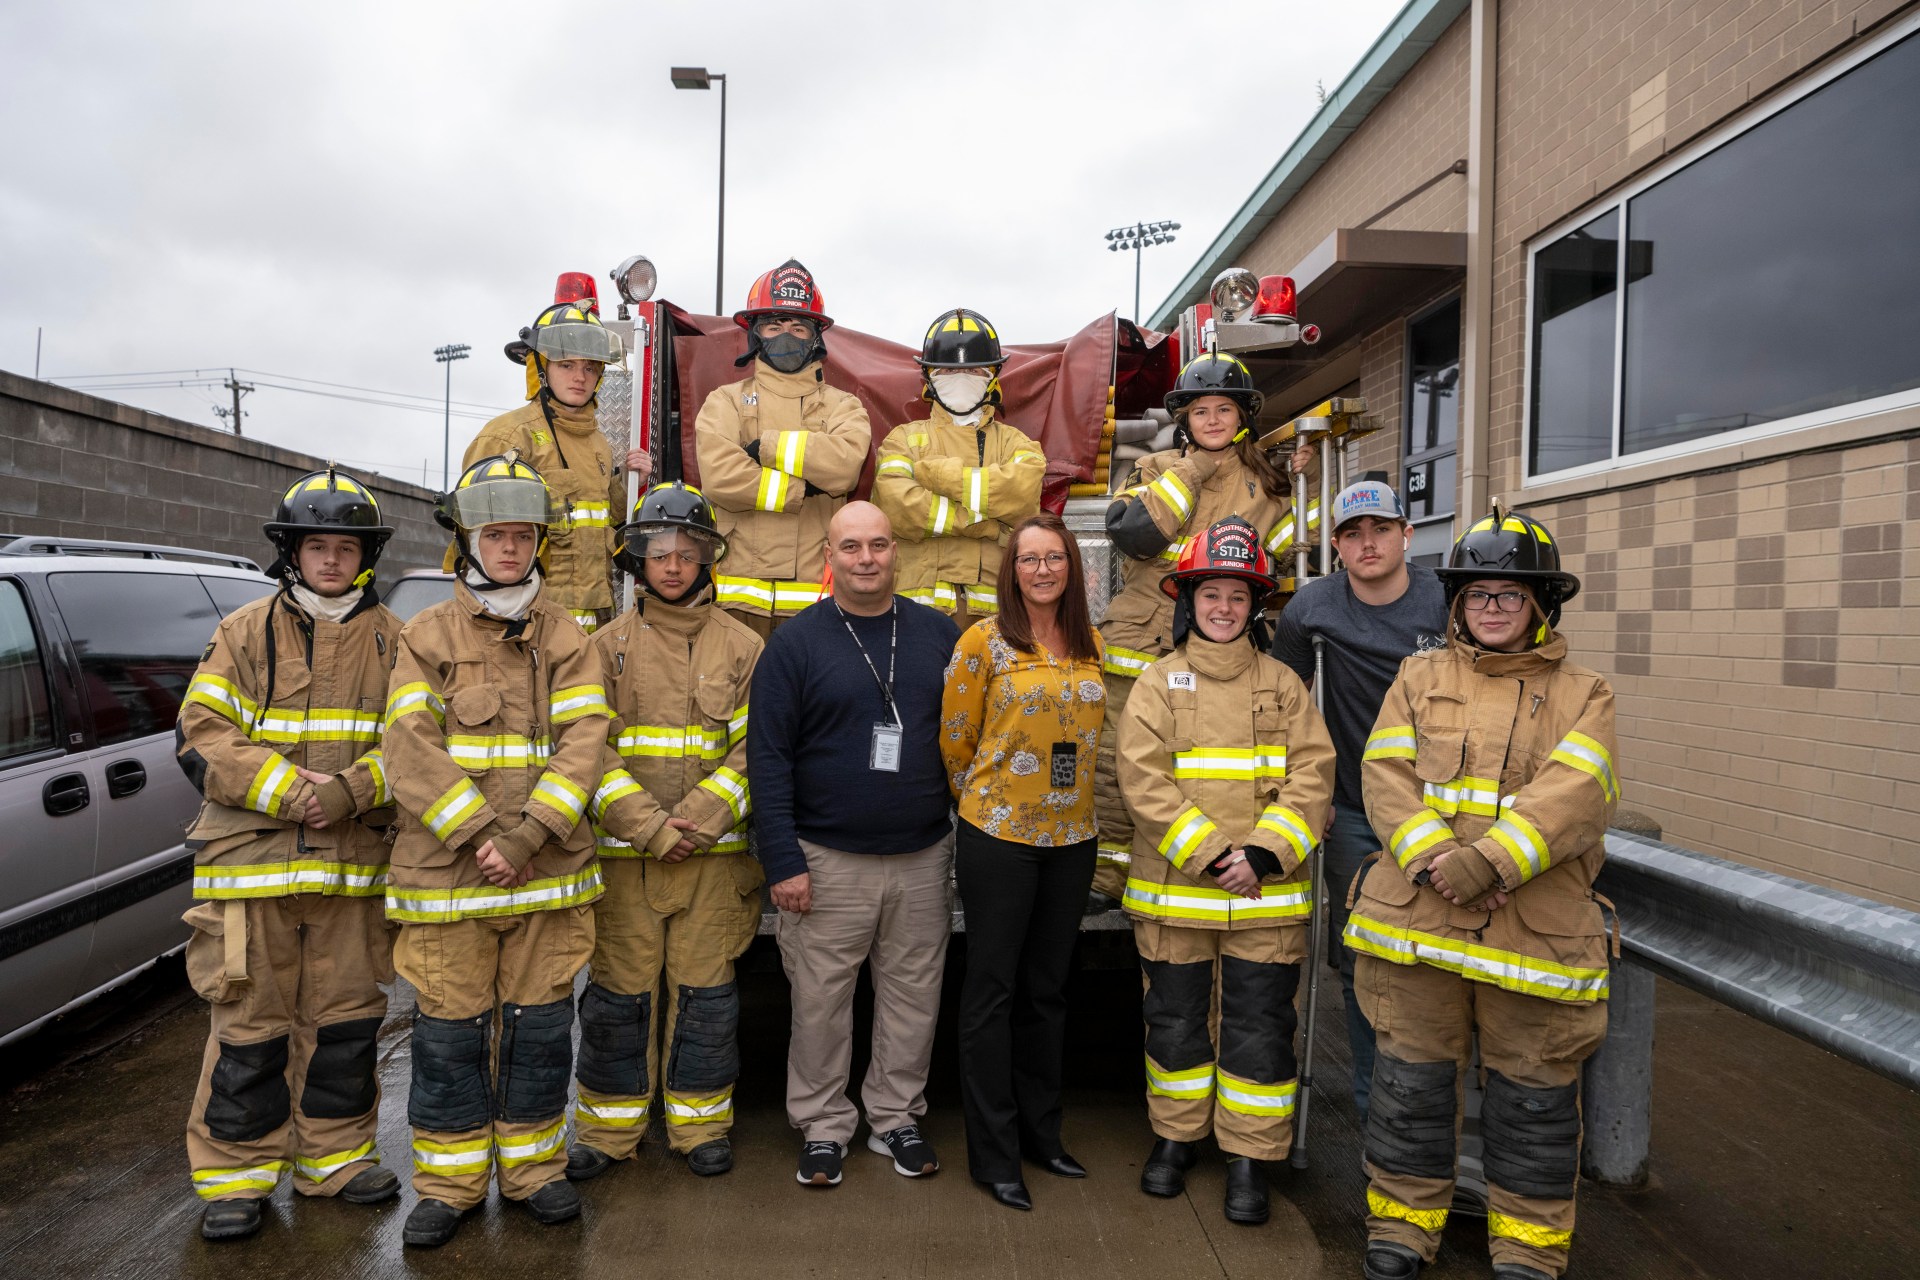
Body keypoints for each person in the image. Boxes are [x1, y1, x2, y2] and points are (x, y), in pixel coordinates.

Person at [1348, 508, 1618, 1280]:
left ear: (1541, 604)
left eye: (1509, 594)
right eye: (1476, 594)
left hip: (1532, 936)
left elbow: (1576, 795)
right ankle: (1401, 1230)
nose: (1491, 607)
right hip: (1421, 923)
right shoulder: (1418, 678)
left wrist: (1491, 864)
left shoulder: (1586, 693)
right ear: (1457, 603)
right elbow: (1386, 776)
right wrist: (1440, 860)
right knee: (1411, 1087)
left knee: (1534, 1100)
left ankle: (1529, 1250)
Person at [383, 452, 612, 1248]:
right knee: (449, 1036)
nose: (510, 549)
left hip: (544, 877)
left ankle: (534, 1172)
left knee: (539, 1031)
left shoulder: (569, 638)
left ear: (539, 541)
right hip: (450, 880)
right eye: (495, 535)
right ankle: (448, 1187)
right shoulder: (425, 636)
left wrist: (525, 836)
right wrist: (485, 836)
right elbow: (408, 747)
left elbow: (585, 744)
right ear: (467, 541)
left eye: (522, 535)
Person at [175, 467, 403, 1240]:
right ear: (292, 552)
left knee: (345, 1025)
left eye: (346, 548)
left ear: (365, 556)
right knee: (249, 1028)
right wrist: (284, 791)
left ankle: (335, 1161)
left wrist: (349, 792)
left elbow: (417, 747)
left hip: (351, 871)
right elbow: (202, 734)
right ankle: (235, 1179)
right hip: (253, 870)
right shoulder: (242, 633)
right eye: (317, 546)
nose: (331, 560)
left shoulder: (397, 642)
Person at [1116, 516, 1335, 1227]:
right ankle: (1176, 1139)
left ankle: (1249, 1156)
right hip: (1180, 896)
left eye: (1239, 596)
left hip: (1264, 899)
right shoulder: (1156, 683)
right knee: (1175, 1024)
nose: (1224, 607)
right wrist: (1216, 856)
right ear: (1189, 600)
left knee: (1260, 1029)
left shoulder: (1284, 685)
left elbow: (1313, 776)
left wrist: (1264, 855)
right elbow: (1142, 781)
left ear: (1255, 606)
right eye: (1211, 593)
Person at [746, 501, 959, 1188]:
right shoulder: (795, 645)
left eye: (878, 545)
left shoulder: (940, 635)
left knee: (914, 998)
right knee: (819, 1003)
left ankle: (896, 1116)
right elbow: (768, 760)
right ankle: (822, 1125)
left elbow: (969, 742)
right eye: (851, 547)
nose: (866, 558)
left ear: (897, 552)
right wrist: (783, 861)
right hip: (826, 861)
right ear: (829, 558)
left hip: (922, 857)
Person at [565, 482, 765, 1184]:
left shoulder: (745, 647)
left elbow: (758, 752)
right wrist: (650, 827)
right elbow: (587, 752)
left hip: (715, 865)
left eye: (687, 552)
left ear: (708, 557)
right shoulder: (601, 649)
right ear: (637, 561)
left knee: (706, 1000)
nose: (673, 566)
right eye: (659, 554)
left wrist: (701, 821)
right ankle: (607, 1131)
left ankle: (700, 1127)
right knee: (618, 999)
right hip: (626, 864)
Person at [1094, 353, 1312, 902]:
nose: (1212, 420)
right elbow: (1134, 534)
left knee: (1205, 764)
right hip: (1141, 642)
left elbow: (1296, 556)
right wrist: (1194, 469)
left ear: (1243, 417)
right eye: (1200, 411)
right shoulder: (1154, 469)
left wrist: (1303, 483)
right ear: (1183, 419)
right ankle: (1107, 878)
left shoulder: (1266, 486)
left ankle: (1212, 867)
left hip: (1222, 648)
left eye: (1224, 409)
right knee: (1116, 761)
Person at [940, 513, 1104, 1211]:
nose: (1042, 570)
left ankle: (1043, 1136)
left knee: (1048, 992)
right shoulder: (982, 641)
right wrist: (991, 802)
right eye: (1029, 559)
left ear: (1072, 567)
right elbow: (956, 740)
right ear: (1011, 570)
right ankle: (995, 1155)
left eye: (1054, 558)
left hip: (1073, 839)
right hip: (1000, 837)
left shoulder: (1091, 642)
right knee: (992, 994)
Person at [1269, 479, 1447, 1124]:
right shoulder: (1312, 608)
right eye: (1352, 534)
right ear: (1337, 546)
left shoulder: (1447, 601)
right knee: (1362, 959)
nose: (1367, 544)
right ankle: (1380, 1113)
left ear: (1407, 534)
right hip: (1351, 811)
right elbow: (1283, 703)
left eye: (1380, 530)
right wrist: (1300, 794)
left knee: (1438, 956)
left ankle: (1438, 1104)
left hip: (1440, 810)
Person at [695, 259, 873, 638]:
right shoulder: (724, 401)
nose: (786, 336)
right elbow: (720, 477)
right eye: (774, 326)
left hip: (818, 600)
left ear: (816, 337)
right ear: (755, 334)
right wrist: (805, 487)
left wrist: (766, 447)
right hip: (735, 604)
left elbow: (844, 468)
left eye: (798, 327)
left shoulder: (845, 406)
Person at [459, 299, 636, 632]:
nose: (580, 377)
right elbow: (480, 540)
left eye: (590, 367)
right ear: (541, 368)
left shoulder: (598, 443)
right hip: (532, 622)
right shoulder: (509, 436)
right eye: (566, 364)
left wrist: (628, 479)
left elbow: (602, 520)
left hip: (597, 618)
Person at [874, 308, 1047, 632]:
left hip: (996, 617)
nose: (961, 378)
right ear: (929, 377)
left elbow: (1023, 499)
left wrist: (938, 477)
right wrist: (988, 525)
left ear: (993, 375)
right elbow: (897, 509)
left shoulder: (1017, 443)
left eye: (974, 369)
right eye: (948, 370)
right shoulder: (902, 439)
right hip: (915, 616)